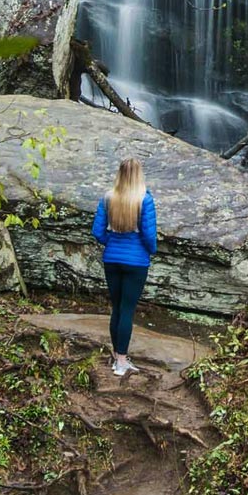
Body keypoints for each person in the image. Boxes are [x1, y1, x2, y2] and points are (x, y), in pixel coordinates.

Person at [91, 157, 156, 376]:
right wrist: (150, 251)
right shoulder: (145, 199)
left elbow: (97, 231)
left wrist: (111, 242)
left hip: (112, 259)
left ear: (119, 173)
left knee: (117, 308)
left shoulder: (108, 197)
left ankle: (116, 355)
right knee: (127, 309)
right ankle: (121, 362)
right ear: (139, 174)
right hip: (136, 261)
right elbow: (149, 235)